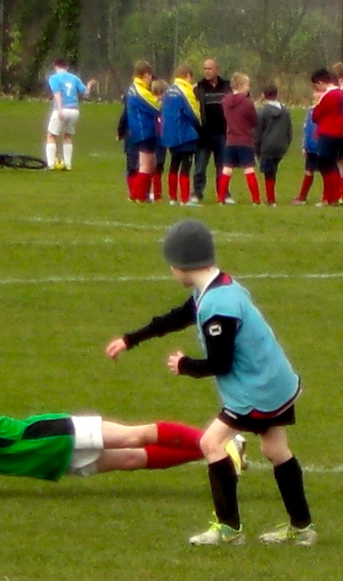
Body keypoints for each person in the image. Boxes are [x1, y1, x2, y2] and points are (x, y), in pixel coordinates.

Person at [105, 219, 315, 546]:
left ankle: (228, 529)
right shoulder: (221, 287)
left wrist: (184, 365)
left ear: (181, 264)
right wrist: (131, 340)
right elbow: (179, 316)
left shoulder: (218, 306)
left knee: (211, 443)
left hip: (255, 392)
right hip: (278, 384)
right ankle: (302, 528)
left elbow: (221, 363)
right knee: (276, 449)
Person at [0, 370, 245, 496]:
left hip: (53, 435)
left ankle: (218, 439)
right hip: (52, 463)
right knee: (131, 459)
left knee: (135, 436)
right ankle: (217, 447)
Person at [159, 66, 201, 205]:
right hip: (185, 133)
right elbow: (192, 113)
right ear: (188, 75)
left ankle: (172, 198)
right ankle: (185, 198)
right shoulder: (185, 91)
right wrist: (199, 127)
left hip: (170, 134)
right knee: (186, 166)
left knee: (173, 164)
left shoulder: (169, 90)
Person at [45, 59, 96, 171]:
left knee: (51, 136)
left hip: (62, 109)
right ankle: (68, 165)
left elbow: (57, 93)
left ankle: (50, 165)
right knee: (68, 135)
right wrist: (89, 85)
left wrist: (59, 109)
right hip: (74, 110)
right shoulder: (74, 78)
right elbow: (86, 94)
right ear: (67, 67)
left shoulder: (54, 78)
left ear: (56, 67)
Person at [193, 58, 231, 203]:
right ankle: (197, 193)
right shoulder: (199, 87)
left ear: (216, 70)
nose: (207, 71)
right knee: (200, 166)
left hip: (222, 133)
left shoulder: (226, 86)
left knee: (222, 166)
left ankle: (223, 193)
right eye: (205, 69)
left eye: (209, 68)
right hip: (204, 134)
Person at [218, 73, 260, 205]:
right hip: (245, 139)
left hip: (230, 140)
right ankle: (256, 200)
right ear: (241, 85)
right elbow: (254, 121)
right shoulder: (247, 103)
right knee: (249, 170)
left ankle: (220, 199)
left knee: (227, 170)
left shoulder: (225, 102)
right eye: (247, 84)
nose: (249, 87)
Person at [123, 60, 161, 202]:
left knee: (150, 164)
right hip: (144, 130)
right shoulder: (140, 90)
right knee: (145, 165)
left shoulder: (133, 88)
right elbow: (156, 106)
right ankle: (137, 195)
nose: (151, 79)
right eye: (150, 76)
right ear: (145, 74)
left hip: (142, 130)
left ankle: (142, 195)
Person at [253, 85, 292, 207]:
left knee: (268, 173)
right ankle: (271, 199)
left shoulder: (262, 112)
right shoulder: (285, 111)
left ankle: (271, 200)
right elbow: (289, 131)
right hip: (281, 146)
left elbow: (258, 132)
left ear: (264, 95)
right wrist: (286, 144)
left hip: (267, 146)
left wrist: (257, 150)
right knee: (273, 171)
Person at [310, 67, 343, 205]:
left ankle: (332, 197)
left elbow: (316, 116)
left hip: (328, 133)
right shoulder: (341, 94)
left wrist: (317, 103)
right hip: (340, 132)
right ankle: (337, 196)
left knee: (326, 165)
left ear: (321, 82)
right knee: (336, 164)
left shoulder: (328, 96)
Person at [292, 105, 321, 205]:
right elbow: (306, 129)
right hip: (311, 146)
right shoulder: (311, 110)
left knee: (327, 172)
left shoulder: (328, 109)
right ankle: (302, 197)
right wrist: (304, 145)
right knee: (309, 170)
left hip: (323, 144)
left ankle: (328, 197)